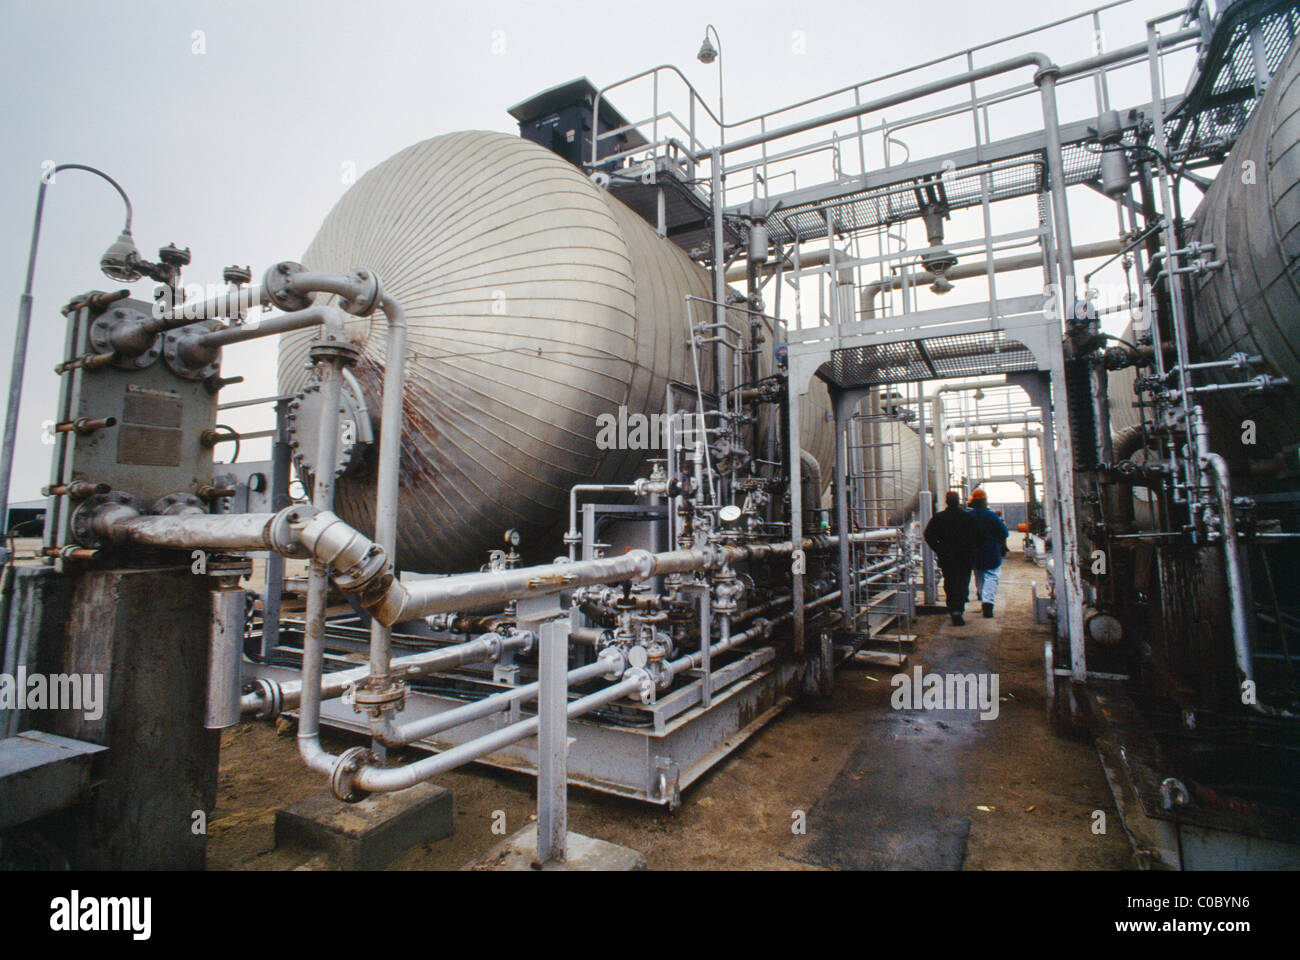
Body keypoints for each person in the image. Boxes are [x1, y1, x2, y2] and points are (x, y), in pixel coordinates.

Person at [923, 491, 984, 626]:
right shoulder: (967, 518)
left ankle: (953, 610)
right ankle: (959, 609)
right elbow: (980, 534)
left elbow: (928, 535)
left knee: (950, 582)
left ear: (946, 501)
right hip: (965, 556)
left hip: (947, 556)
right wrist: (974, 548)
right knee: (962, 582)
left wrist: (938, 549)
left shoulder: (939, 518)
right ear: (958, 501)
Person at [968, 489, 1010, 618]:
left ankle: (982, 596)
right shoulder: (992, 516)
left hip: (974, 551)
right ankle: (987, 603)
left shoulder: (968, 516)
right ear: (985, 502)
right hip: (990, 551)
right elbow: (1004, 533)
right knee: (991, 576)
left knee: (979, 574)